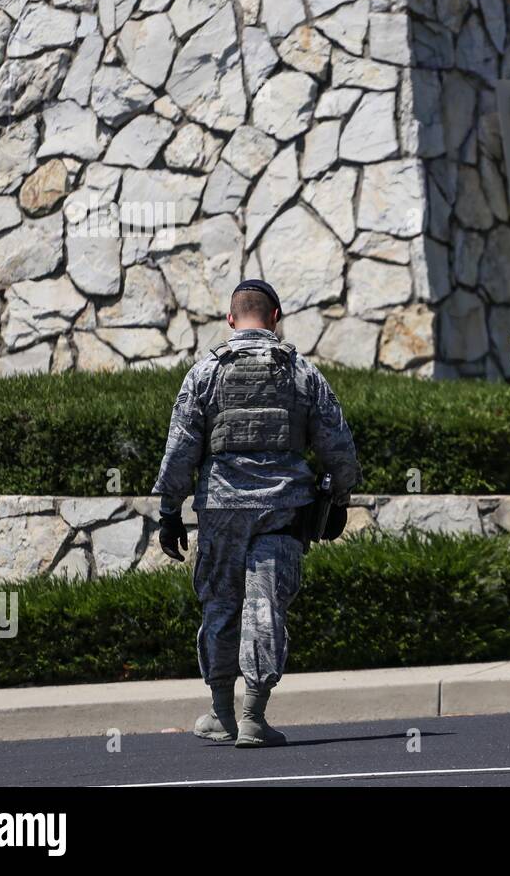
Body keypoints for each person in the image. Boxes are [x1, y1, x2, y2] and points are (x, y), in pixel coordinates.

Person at [153, 279, 360, 748]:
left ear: (230, 320)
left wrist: (169, 512)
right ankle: (253, 716)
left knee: (221, 606)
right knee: (265, 606)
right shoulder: (302, 374)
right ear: (275, 317)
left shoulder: (204, 373)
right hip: (281, 511)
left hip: (221, 511)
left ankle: (222, 714)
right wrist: (340, 497)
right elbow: (339, 448)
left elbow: (181, 450)